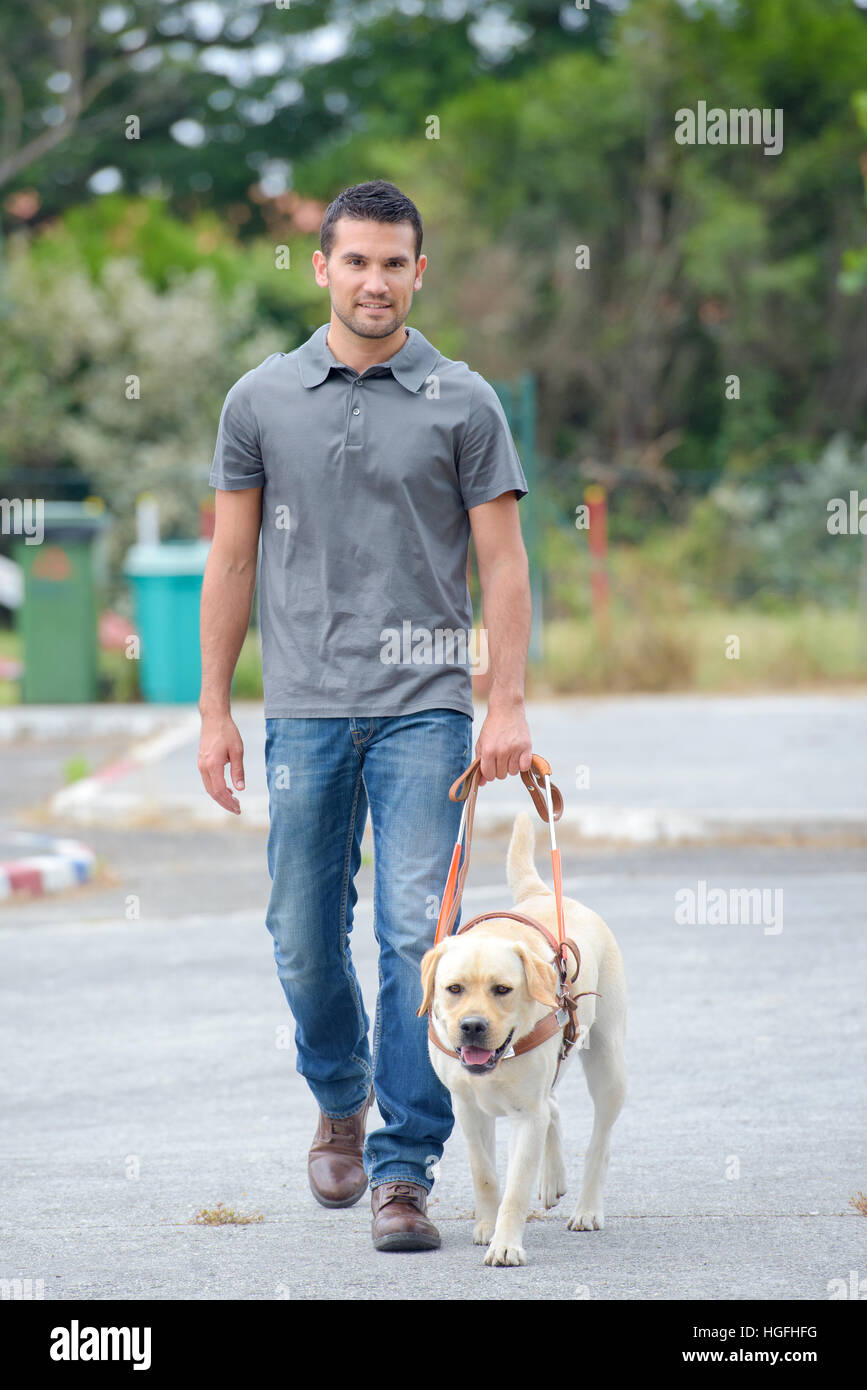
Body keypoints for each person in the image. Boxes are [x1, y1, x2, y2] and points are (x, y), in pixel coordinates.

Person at [197, 179, 533, 1251]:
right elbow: (232, 559)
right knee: (301, 936)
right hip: (302, 708)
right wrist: (214, 710)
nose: (375, 281)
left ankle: (403, 1169)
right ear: (322, 268)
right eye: (357, 261)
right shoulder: (259, 399)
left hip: (426, 710)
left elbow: (503, 562)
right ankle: (340, 1095)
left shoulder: (464, 400)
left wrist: (506, 704)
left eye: (394, 263)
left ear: (418, 273)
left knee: (416, 939)